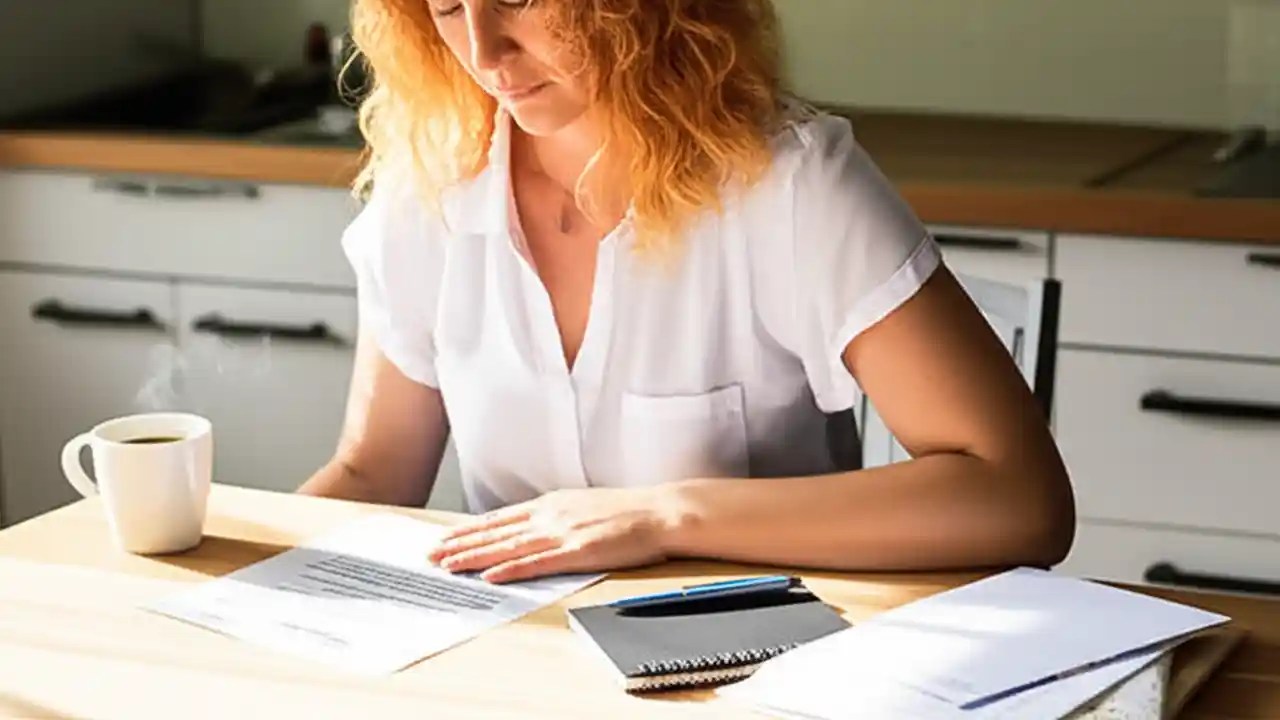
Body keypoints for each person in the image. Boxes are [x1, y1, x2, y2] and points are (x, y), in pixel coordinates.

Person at [298, 0, 1076, 584]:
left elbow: (1021, 499)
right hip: (521, 668)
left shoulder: (793, 187)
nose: (484, 51)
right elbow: (374, 476)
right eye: (447, 6)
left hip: (760, 672)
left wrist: (664, 515)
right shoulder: (426, 188)